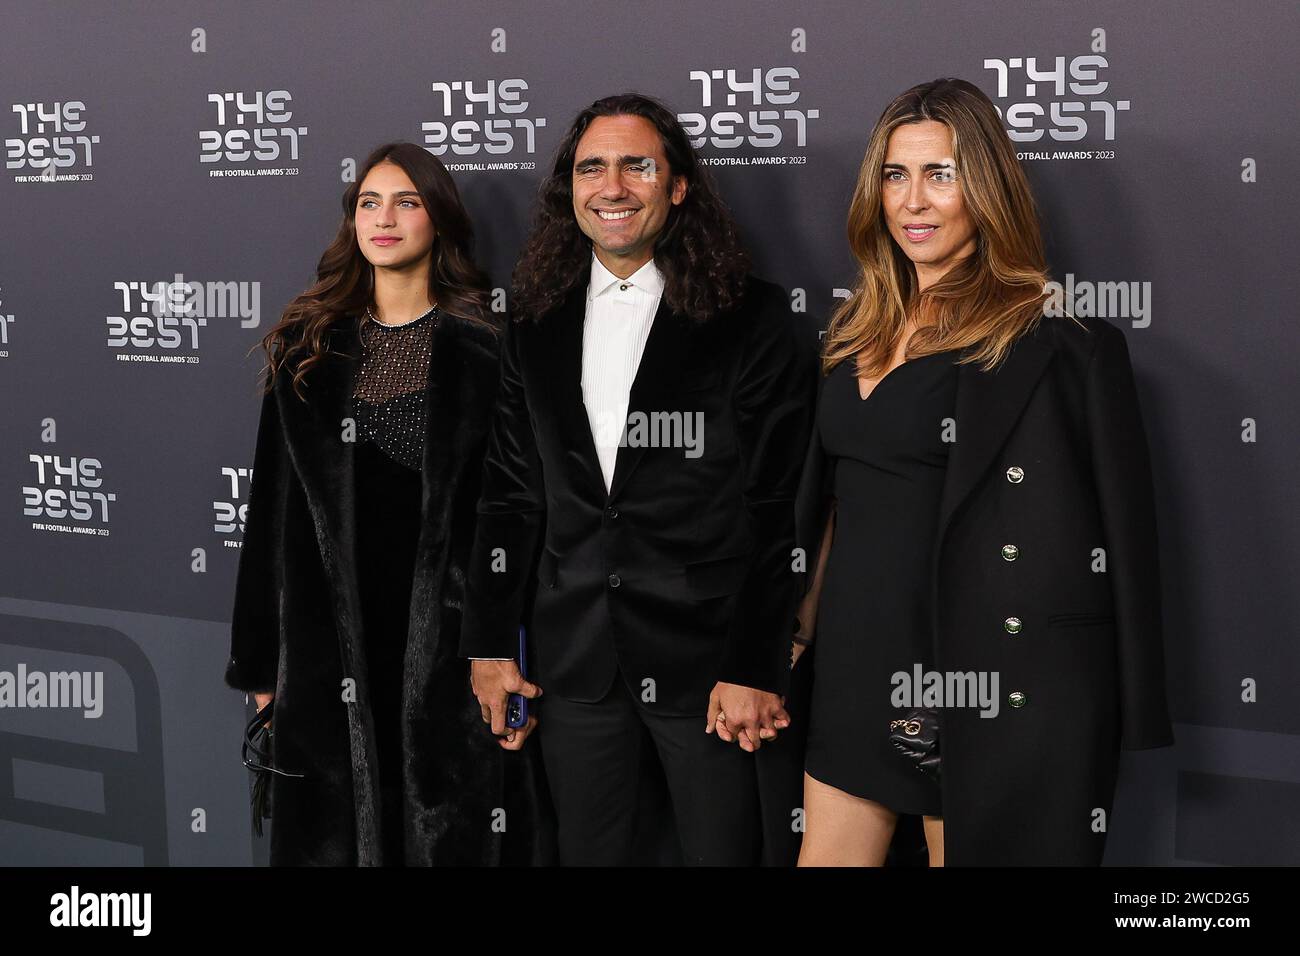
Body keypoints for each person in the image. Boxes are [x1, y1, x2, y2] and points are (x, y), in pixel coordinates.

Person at [792, 78, 1174, 866]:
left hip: (984, 680)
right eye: (896, 175)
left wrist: (1127, 706)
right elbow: (833, 506)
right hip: (858, 668)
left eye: (942, 174)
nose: (914, 201)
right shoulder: (849, 332)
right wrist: (788, 640)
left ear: (987, 189)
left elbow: (1122, 538)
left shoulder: (1059, 343)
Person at [460, 93, 817, 865]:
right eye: (592, 167)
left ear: (678, 186)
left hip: (711, 672)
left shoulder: (751, 318)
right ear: (570, 190)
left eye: (637, 165)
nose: (612, 186)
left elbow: (779, 503)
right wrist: (489, 644)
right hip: (574, 664)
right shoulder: (532, 320)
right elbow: (511, 494)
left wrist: (755, 663)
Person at [225, 142, 554, 866]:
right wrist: (258, 667)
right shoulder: (306, 348)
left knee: (452, 830)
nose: (385, 217)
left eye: (407, 201)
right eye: (369, 202)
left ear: (439, 219)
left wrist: (506, 648)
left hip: (448, 644)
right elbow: (272, 516)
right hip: (325, 646)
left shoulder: (489, 350)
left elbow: (517, 514)